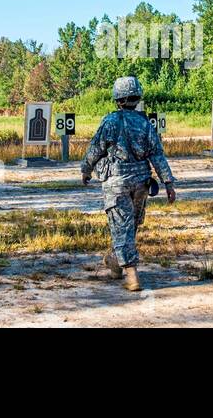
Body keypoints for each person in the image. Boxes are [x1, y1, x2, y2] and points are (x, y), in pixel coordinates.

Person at [81, 76, 177, 292]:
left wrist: (85, 170)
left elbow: (96, 149)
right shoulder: (145, 123)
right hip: (141, 183)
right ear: (137, 96)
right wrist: (168, 182)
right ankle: (115, 263)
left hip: (116, 183)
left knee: (122, 226)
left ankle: (132, 275)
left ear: (117, 98)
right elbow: (157, 154)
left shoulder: (110, 121)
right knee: (129, 226)